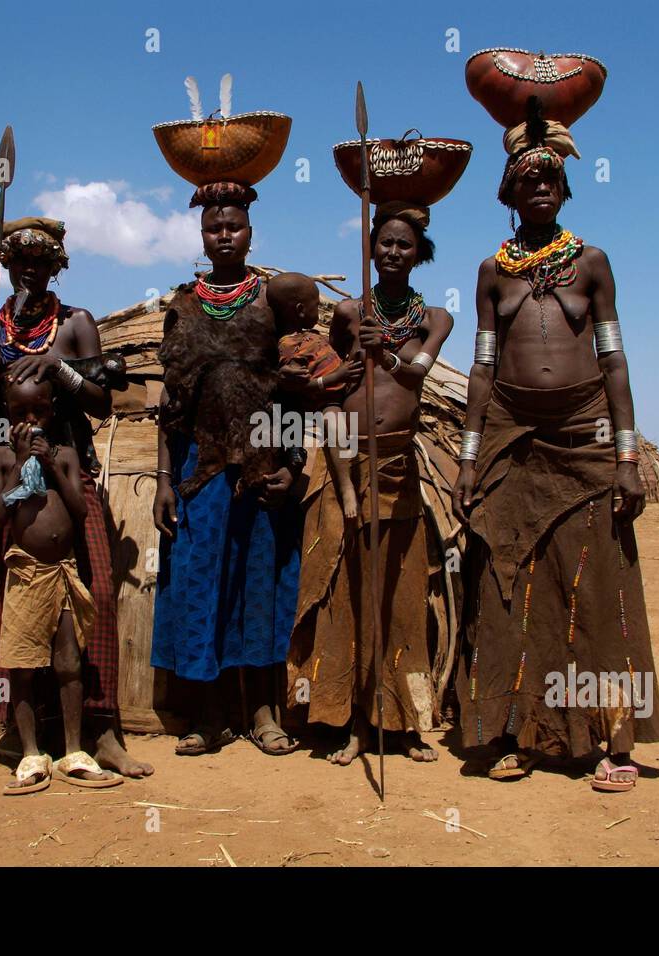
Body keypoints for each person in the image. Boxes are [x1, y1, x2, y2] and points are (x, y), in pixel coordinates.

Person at [452, 100, 659, 790]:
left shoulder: (593, 264)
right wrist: (466, 457)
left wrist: (627, 458)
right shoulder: (492, 272)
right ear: (508, 193)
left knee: (599, 592)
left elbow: (616, 363)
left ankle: (613, 744)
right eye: (526, 178)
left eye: (549, 177)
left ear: (565, 188)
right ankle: (522, 735)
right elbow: (483, 366)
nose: (539, 185)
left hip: (586, 442)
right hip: (513, 445)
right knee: (510, 587)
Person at [0, 216, 152, 778]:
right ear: (6, 267)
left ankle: (102, 731)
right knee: (9, 605)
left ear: (55, 267)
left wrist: (61, 369)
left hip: (68, 466)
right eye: (18, 263)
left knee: (91, 597)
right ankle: (23, 733)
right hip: (7, 472)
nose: (28, 272)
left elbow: (101, 403)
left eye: (40, 263)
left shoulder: (75, 324)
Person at [287, 203, 452, 766]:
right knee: (350, 594)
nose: (393, 252)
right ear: (371, 248)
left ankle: (402, 725)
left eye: (404, 245)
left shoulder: (435, 316)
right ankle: (354, 724)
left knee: (399, 596)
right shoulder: (349, 310)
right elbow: (333, 379)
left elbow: (418, 371)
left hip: (399, 468)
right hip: (346, 462)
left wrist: (395, 351)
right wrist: (346, 368)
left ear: (419, 252)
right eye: (384, 243)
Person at [150, 181, 306, 757]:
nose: (224, 236)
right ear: (201, 234)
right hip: (201, 470)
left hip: (264, 464)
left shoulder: (273, 304)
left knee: (261, 586)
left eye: (234, 227)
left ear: (249, 232)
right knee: (200, 584)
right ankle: (207, 716)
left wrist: (293, 463)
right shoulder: (182, 307)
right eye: (214, 227)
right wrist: (166, 480)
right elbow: (170, 406)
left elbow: (296, 393)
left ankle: (265, 715)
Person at [0, 376, 122, 793]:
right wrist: (20, 464)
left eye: (39, 412)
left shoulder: (65, 454)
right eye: (20, 414)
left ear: (53, 411)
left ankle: (73, 751)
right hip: (26, 573)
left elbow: (81, 508)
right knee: (23, 666)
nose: (30, 420)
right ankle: (30, 754)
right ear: (7, 417)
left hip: (63, 571)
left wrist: (48, 464)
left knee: (69, 663)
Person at [271, 272, 364, 520]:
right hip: (325, 401)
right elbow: (301, 387)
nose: (320, 311)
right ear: (301, 310)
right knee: (336, 427)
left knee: (352, 430)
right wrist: (335, 377)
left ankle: (357, 476)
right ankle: (346, 488)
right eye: (317, 305)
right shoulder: (288, 347)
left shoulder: (308, 335)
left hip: (341, 394)